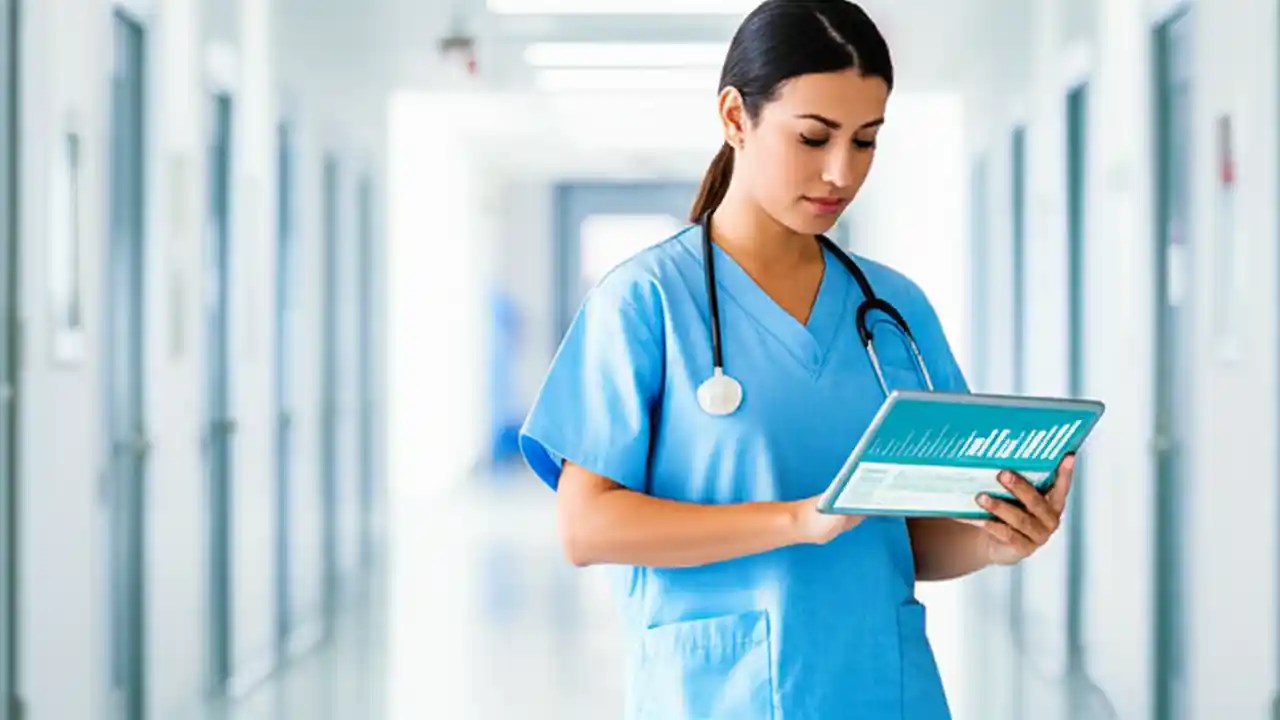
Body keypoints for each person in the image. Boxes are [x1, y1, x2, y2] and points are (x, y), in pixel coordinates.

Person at [518, 1, 1076, 717]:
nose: (841, 172)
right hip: (721, 696)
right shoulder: (646, 301)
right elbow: (586, 528)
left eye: (866, 141)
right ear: (734, 117)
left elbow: (910, 539)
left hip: (885, 689)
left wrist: (996, 541)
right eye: (813, 138)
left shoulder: (893, 309)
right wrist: (794, 521)